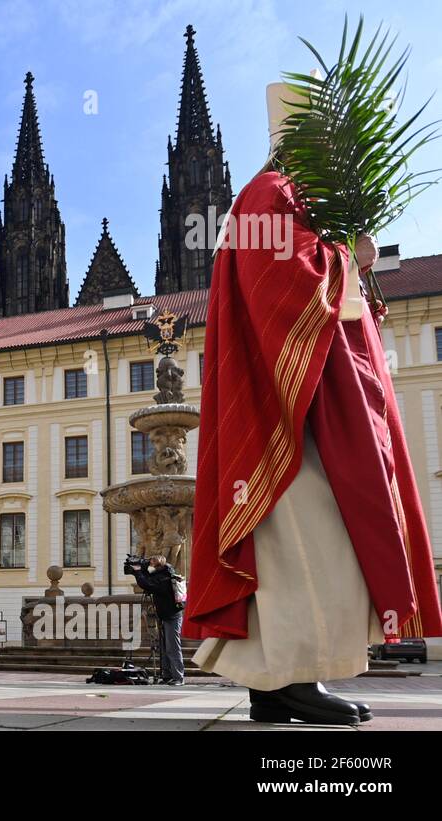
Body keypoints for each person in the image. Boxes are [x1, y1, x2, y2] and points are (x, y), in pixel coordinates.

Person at [186, 83, 442, 724]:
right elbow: (281, 285)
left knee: (307, 542)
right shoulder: (270, 194)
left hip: (311, 399)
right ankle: (287, 679)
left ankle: (280, 685)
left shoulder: (298, 200)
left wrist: (355, 263)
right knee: (303, 540)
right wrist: (346, 262)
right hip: (288, 410)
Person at [126, 555, 184, 685]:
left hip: (172, 616)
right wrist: (140, 571)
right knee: (164, 648)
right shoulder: (160, 574)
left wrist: (138, 572)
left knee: (172, 647)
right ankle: (168, 676)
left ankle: (179, 677)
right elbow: (148, 582)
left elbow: (148, 585)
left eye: (151, 563)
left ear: (158, 565)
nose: (149, 565)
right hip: (164, 615)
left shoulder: (165, 577)